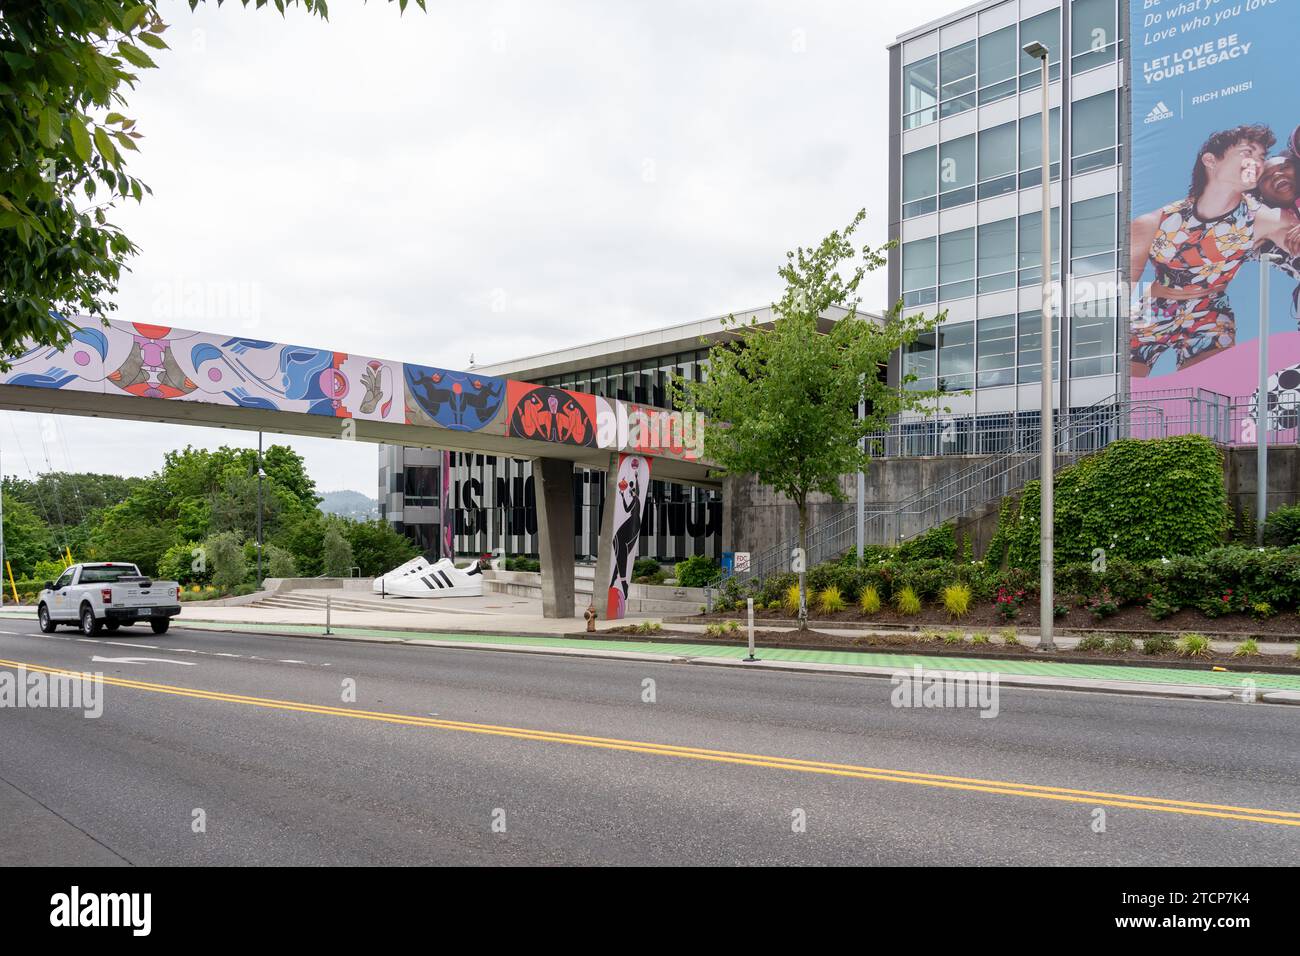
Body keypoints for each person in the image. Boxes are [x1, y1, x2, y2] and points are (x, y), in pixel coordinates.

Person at [1129, 124, 1300, 377]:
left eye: (1261, 156)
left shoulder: (1269, 219)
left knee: (1206, 399)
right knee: (1122, 393)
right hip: (1151, 310)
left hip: (1210, 315)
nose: (1256, 162)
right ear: (1211, 160)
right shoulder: (1153, 222)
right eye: (1246, 152)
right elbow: (1121, 288)